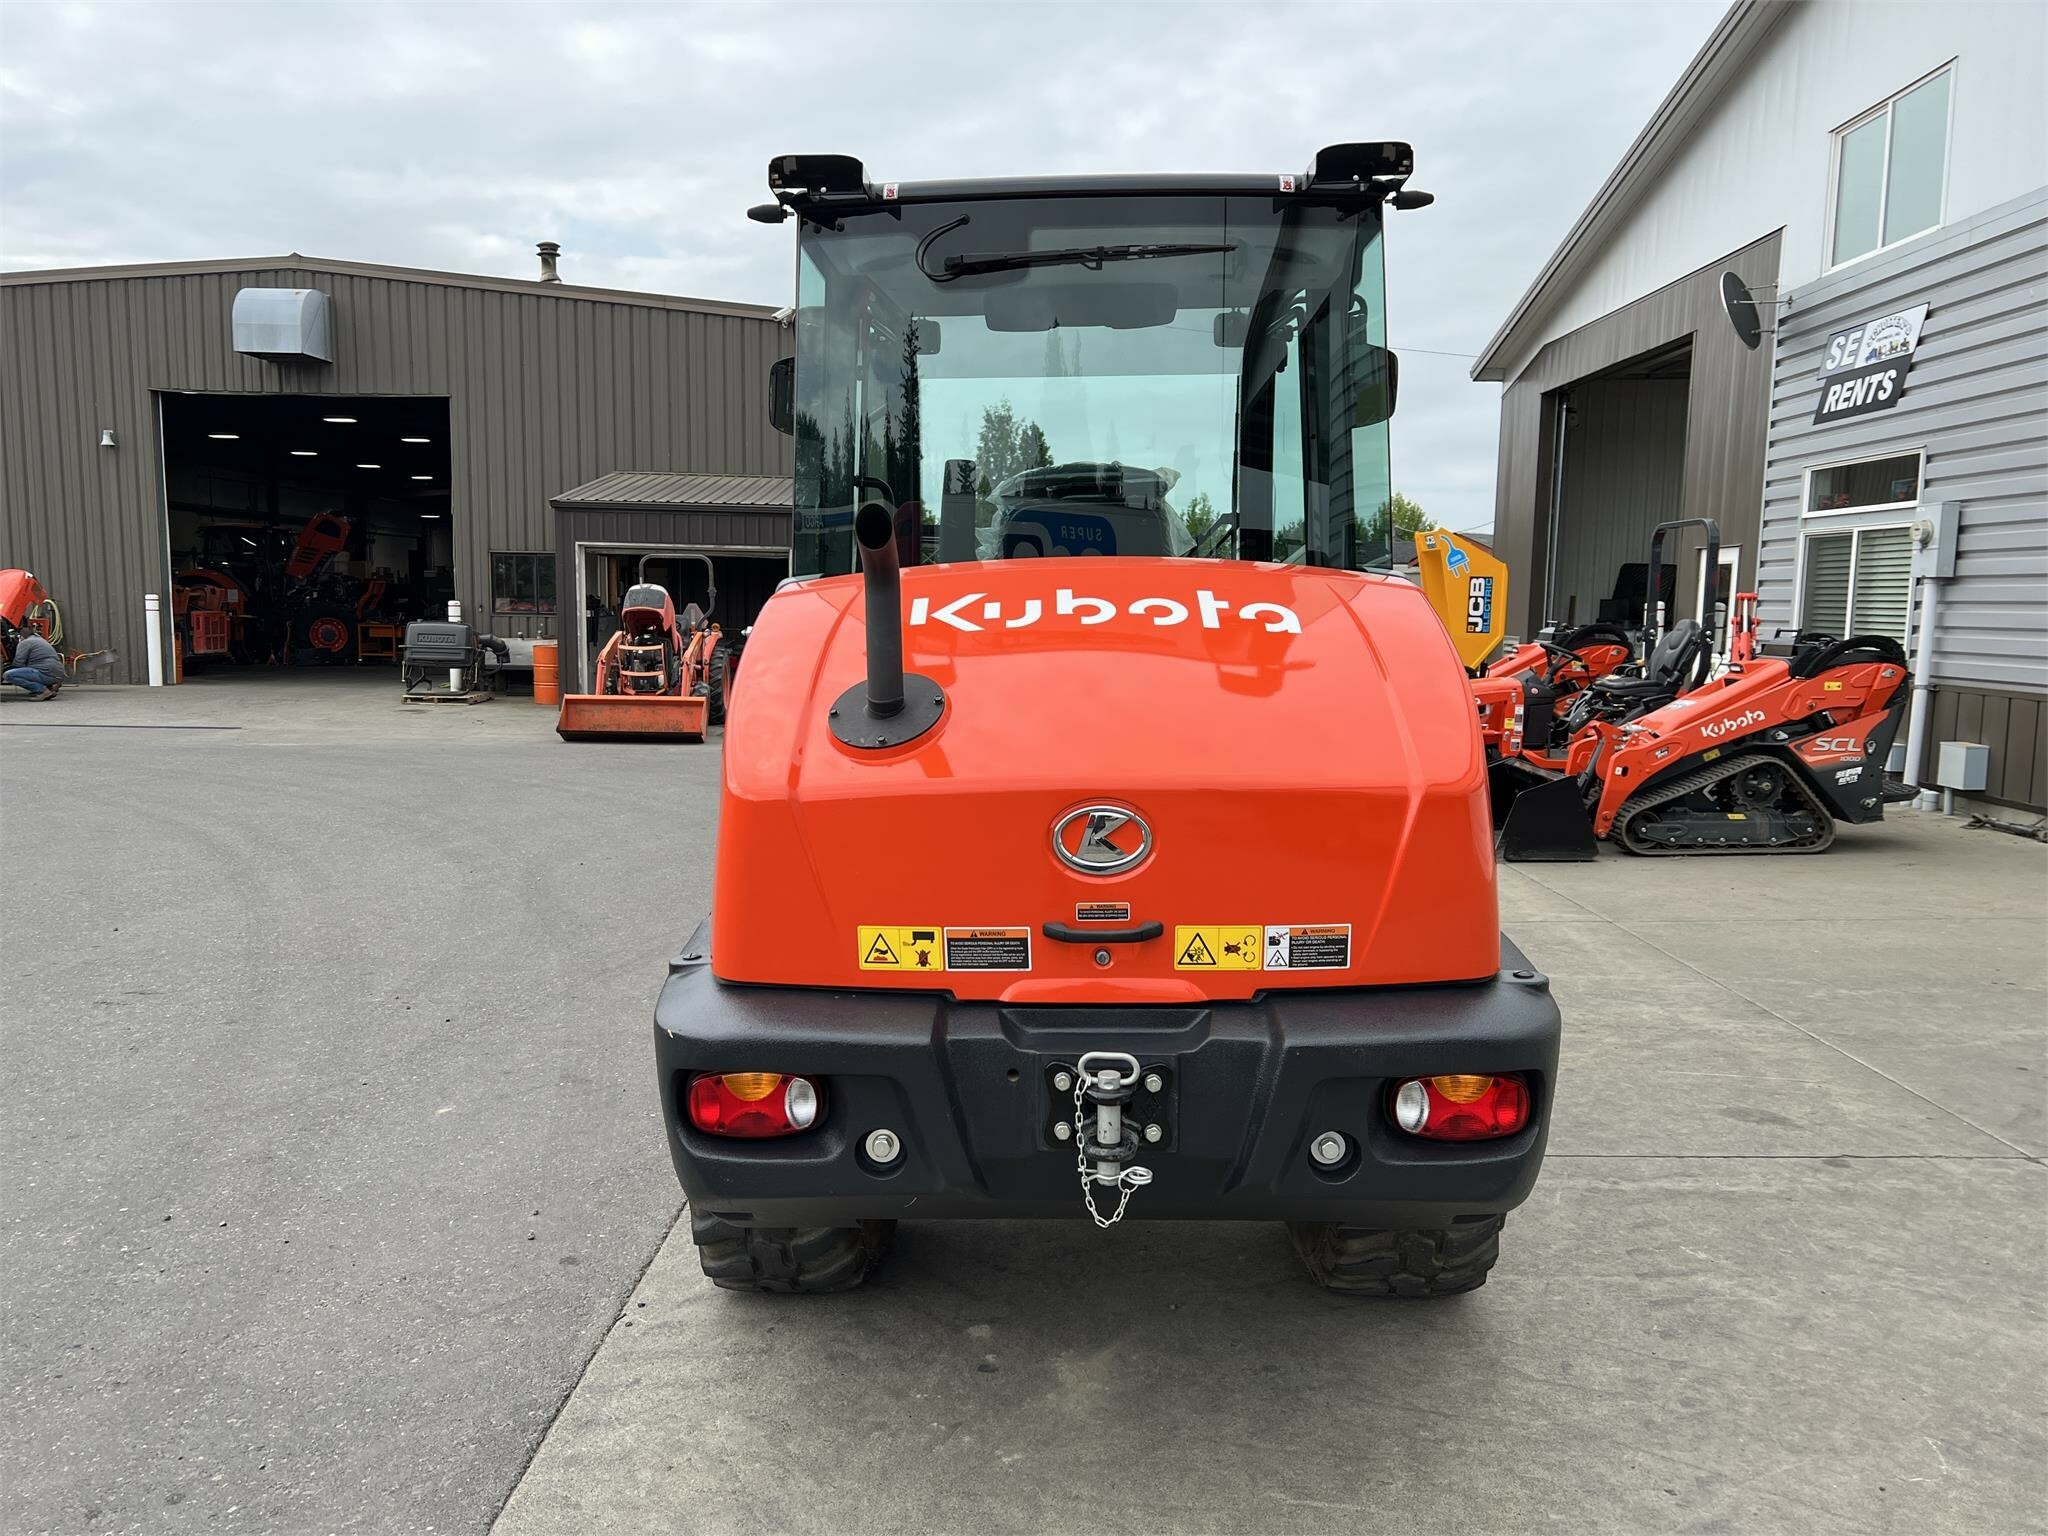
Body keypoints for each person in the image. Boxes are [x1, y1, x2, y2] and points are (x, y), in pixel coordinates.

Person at [3, 627, 64, 700]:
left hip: (45, 673)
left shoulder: (25, 643)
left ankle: (42, 691)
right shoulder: (41, 640)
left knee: (8, 675)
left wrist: (5, 669)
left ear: (21, 637)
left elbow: (18, 663)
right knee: (32, 669)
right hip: (58, 674)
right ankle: (50, 687)